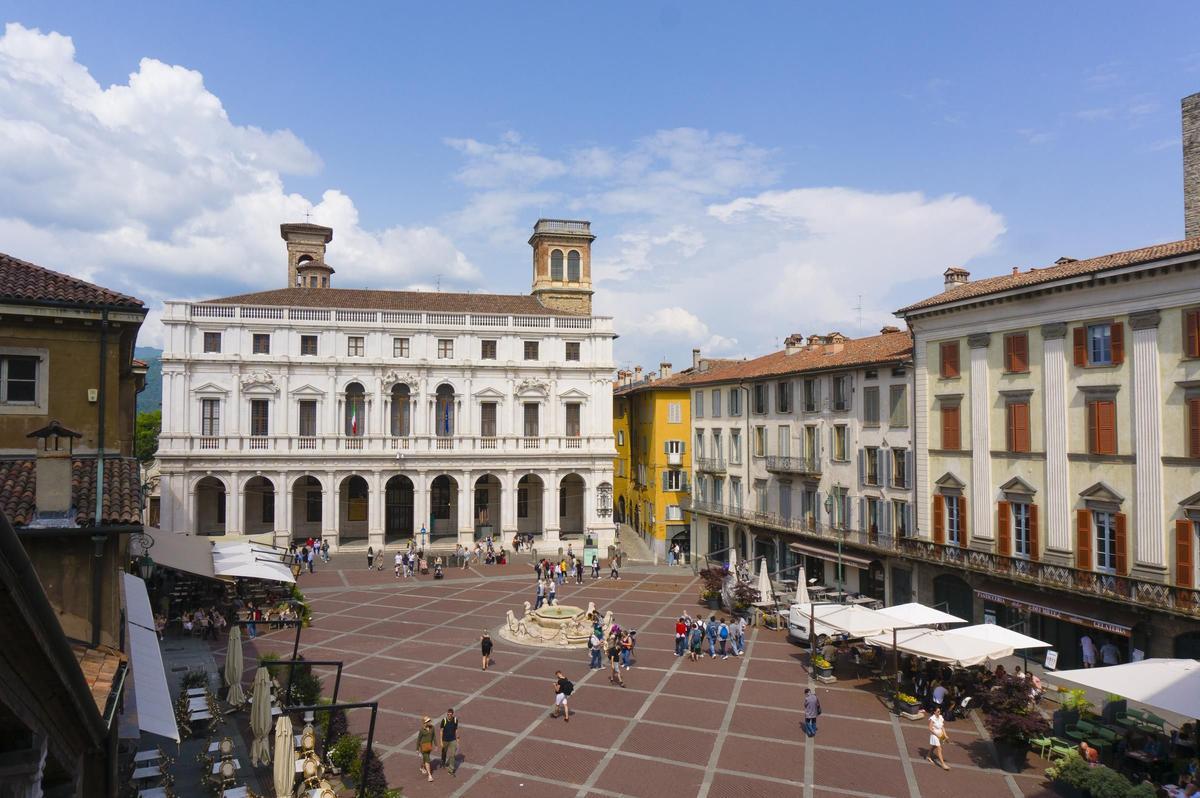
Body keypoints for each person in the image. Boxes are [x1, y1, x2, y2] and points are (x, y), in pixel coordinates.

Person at [438, 709, 459, 776]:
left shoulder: (455, 720)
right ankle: (443, 762)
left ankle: (451, 770)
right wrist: (441, 741)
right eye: (448, 714)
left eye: (450, 714)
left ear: (453, 714)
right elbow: (441, 731)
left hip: (452, 740)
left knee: (452, 755)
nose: (449, 715)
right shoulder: (444, 721)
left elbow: (456, 730)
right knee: (444, 753)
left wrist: (457, 739)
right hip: (445, 740)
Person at [416, 716, 436, 782]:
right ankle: (430, 776)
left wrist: (436, 745)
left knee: (425, 759)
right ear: (425, 722)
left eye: (429, 720)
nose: (430, 722)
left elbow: (434, 736)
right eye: (428, 721)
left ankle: (422, 767)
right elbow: (418, 740)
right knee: (427, 760)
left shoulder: (432, 728)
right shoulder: (422, 730)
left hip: (429, 746)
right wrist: (417, 749)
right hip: (423, 747)